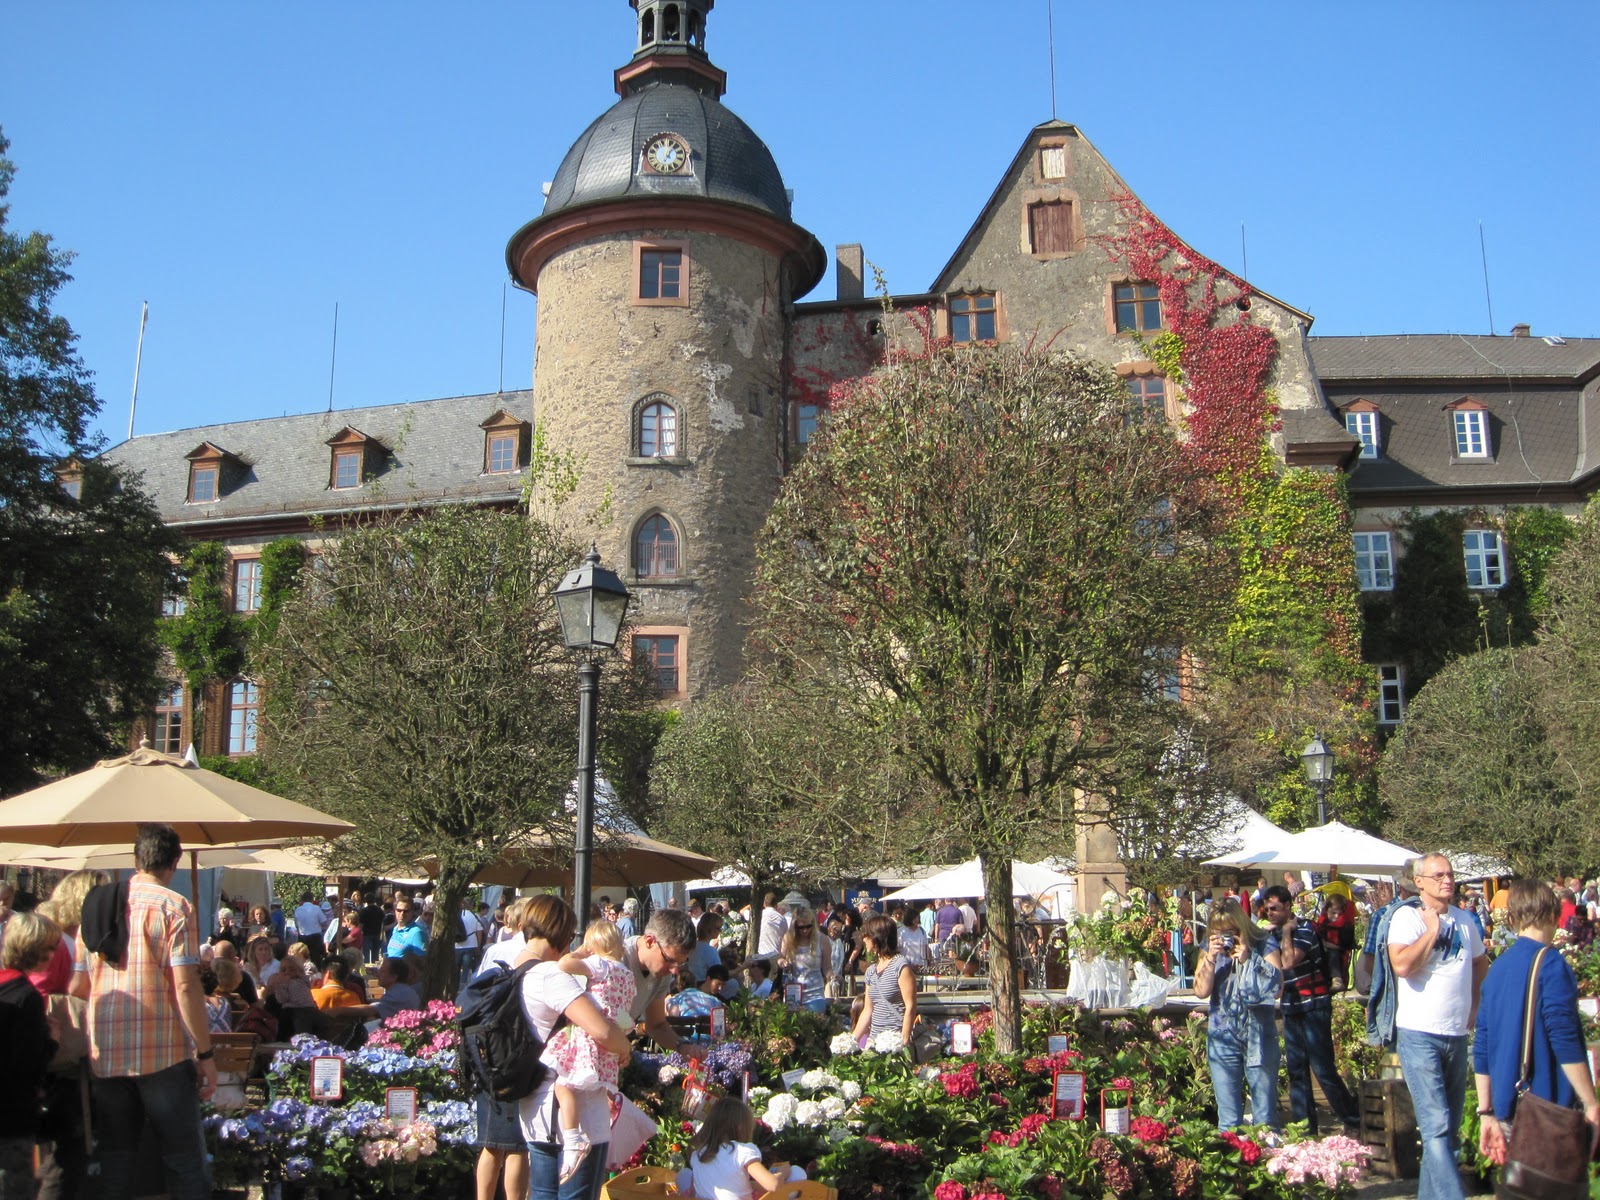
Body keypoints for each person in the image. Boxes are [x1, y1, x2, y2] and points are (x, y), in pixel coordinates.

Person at [70, 823, 215, 1200]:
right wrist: (205, 1053)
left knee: (116, 1157)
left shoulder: (97, 906)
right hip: (161, 1051)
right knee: (184, 1158)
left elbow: (78, 988)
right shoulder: (175, 907)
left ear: (136, 859)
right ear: (175, 861)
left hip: (106, 1050)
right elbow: (184, 986)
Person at [1473, 880, 1600, 1175]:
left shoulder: (1498, 968)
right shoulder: (1552, 965)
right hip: (1548, 1109)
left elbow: (1482, 1045)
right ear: (1555, 914)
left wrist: (1486, 1112)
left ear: (1514, 918)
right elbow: (1564, 1038)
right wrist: (1590, 1102)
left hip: (1507, 1109)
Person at [517, 896, 633, 1200]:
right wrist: (625, 1048)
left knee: (542, 1194)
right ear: (563, 932)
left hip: (534, 1108)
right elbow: (602, 1029)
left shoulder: (511, 969)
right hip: (578, 1114)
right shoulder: (552, 975)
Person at [1387, 852, 1487, 1200]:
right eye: (1439, 875)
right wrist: (1432, 931)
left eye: (1450, 874)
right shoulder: (1407, 918)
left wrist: (1474, 1003)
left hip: (1456, 1034)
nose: (1448, 880)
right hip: (1419, 1034)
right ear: (1420, 882)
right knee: (1436, 1127)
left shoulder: (1465, 919)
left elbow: (1479, 962)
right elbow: (1402, 965)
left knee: (1449, 1132)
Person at [1260, 886, 1360, 1135]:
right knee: (1296, 1070)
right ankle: (1305, 1130)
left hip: (1314, 1004)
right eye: (1267, 909)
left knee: (1322, 1068)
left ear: (1288, 906)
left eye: (1275, 908)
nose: (1270, 913)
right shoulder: (1271, 934)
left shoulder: (1304, 929)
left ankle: (1354, 1119)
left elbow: (1288, 961)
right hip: (1292, 1006)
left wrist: (1285, 932)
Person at [541, 920, 637, 1181]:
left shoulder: (600, 964)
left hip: (590, 1037)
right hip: (611, 1044)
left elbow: (564, 964)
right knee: (593, 1090)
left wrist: (582, 952)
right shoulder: (627, 974)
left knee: (564, 1086)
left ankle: (572, 1139)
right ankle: (586, 1137)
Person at [1194, 895, 1282, 1131]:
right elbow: (1201, 991)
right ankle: (1233, 1160)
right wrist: (1210, 959)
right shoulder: (1209, 948)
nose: (1226, 938)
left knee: (1265, 1118)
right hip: (1223, 1034)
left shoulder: (1263, 942)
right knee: (1229, 1120)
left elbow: (1277, 988)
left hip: (1258, 1034)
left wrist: (1248, 959)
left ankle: (1269, 1162)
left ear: (1241, 925)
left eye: (1231, 931)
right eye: (1219, 932)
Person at [2, 911, 57, 1200]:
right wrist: (53, 1041)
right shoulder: (26, 997)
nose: (52, 955)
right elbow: (29, 1063)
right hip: (11, 1117)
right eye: (49, 948)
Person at [675, 1096, 804, 1200]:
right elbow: (772, 1184)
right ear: (741, 1128)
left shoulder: (699, 1153)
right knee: (797, 1172)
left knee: (684, 1175)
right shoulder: (742, 1150)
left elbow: (694, 1192)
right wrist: (783, 1172)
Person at [620, 910, 701, 1054]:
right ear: (650, 941)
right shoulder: (616, 960)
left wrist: (683, 1046)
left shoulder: (663, 974)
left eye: (680, 963)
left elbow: (656, 1025)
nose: (674, 971)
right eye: (669, 960)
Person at [851, 913, 916, 1049]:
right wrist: (851, 1041)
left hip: (894, 1041)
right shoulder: (871, 971)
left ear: (877, 938)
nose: (863, 939)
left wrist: (903, 1042)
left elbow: (910, 1006)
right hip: (873, 1041)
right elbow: (868, 1010)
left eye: (866, 935)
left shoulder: (900, 966)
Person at [776, 907, 831, 1013]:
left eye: (808, 926)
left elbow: (827, 967)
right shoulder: (788, 938)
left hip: (815, 994)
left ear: (813, 924)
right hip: (793, 993)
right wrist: (782, 962)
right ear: (795, 926)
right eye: (801, 927)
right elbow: (779, 958)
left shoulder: (822, 939)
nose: (805, 930)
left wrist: (832, 976)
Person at [1314, 893, 1356, 990]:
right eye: (1333, 912)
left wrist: (1326, 944)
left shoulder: (1345, 925)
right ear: (1326, 910)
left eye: (1339, 914)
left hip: (1339, 952)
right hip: (1322, 950)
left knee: (1333, 953)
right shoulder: (1323, 922)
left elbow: (1346, 946)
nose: (1336, 916)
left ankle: (1337, 979)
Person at [386, 894, 428, 961]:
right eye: (399, 910)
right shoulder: (395, 929)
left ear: (412, 912)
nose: (402, 914)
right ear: (395, 911)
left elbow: (423, 960)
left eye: (406, 911)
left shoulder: (416, 933)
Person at [685, 912, 725, 983]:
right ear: (710, 930)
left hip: (689, 984)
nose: (720, 931)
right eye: (718, 928)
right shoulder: (710, 951)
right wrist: (743, 967)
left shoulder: (691, 947)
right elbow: (720, 974)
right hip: (703, 987)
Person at [896, 904, 930, 972]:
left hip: (921, 966)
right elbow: (897, 950)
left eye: (917, 918)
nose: (916, 920)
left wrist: (929, 961)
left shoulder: (922, 931)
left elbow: (926, 947)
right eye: (914, 918)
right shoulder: (901, 932)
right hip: (906, 967)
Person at [756, 893, 787, 960]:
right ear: (776, 905)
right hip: (775, 955)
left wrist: (753, 904)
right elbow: (785, 940)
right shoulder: (782, 918)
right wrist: (782, 957)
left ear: (764, 904)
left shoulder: (758, 915)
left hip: (760, 954)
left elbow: (742, 911)